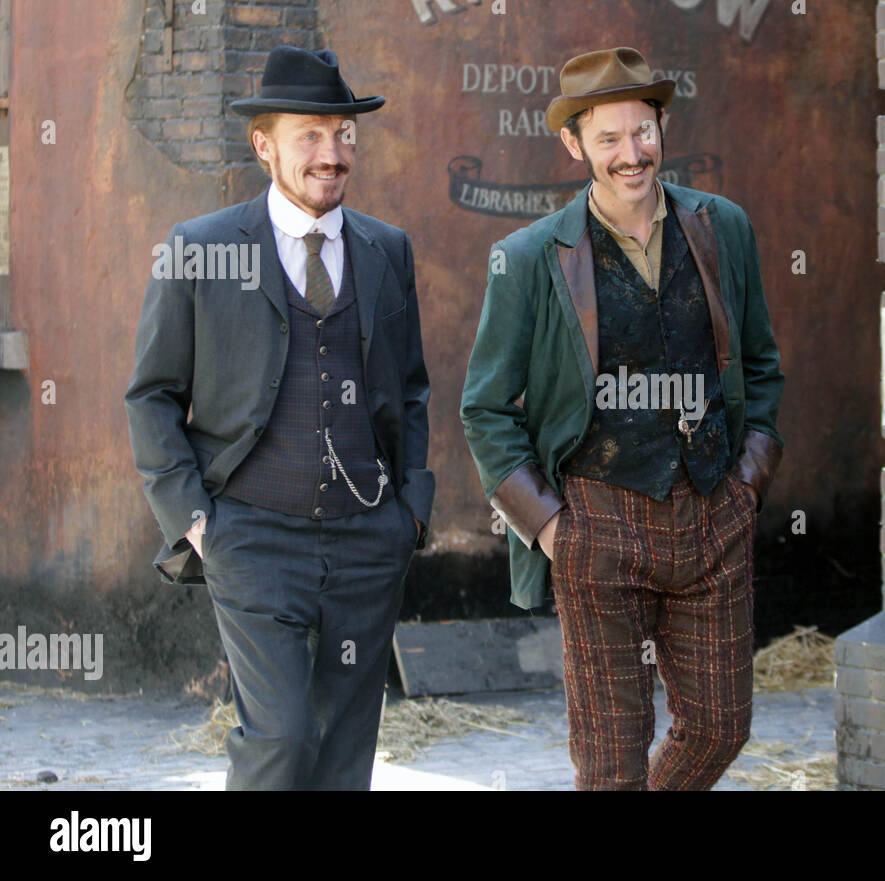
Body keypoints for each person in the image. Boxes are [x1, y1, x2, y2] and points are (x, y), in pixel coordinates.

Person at [461, 47, 784, 790]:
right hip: (595, 521)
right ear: (574, 144)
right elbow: (484, 408)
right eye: (607, 138)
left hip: (713, 511)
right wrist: (548, 526)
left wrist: (749, 481)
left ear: (663, 126)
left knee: (719, 727)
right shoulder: (530, 256)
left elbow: (761, 364)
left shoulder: (723, 227)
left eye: (642, 131)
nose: (629, 154)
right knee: (611, 760)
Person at [124, 46, 434, 790]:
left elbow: (412, 388)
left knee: (343, 753)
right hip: (253, 540)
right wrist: (197, 520)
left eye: (344, 136)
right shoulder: (198, 249)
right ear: (263, 145)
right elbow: (152, 396)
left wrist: (409, 515)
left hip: (368, 543)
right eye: (310, 136)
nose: (332, 155)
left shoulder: (387, 250)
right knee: (283, 737)